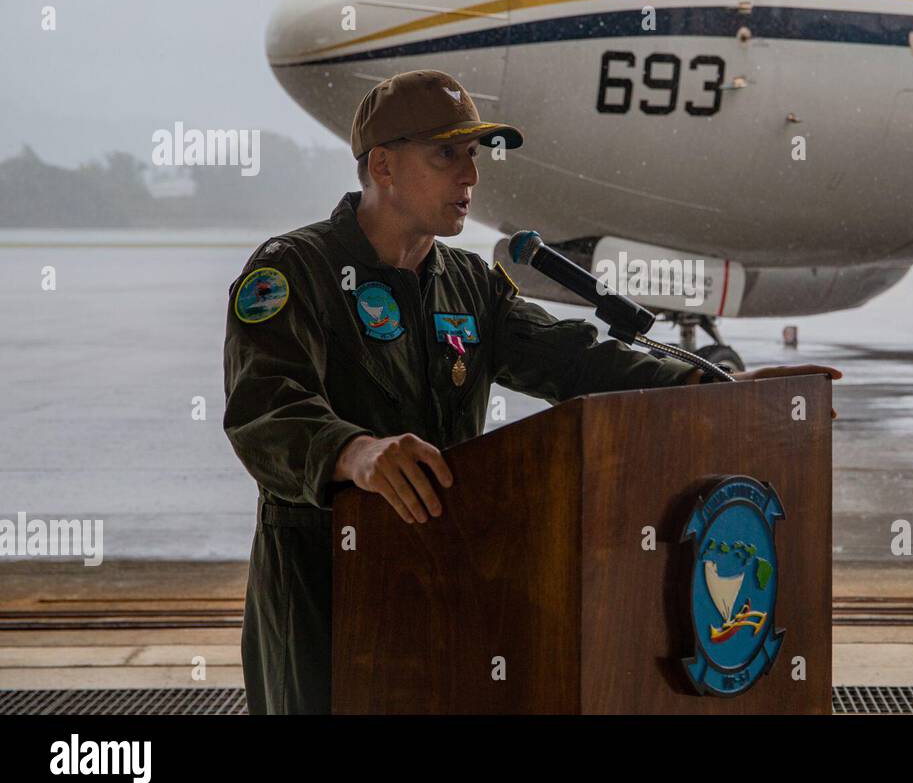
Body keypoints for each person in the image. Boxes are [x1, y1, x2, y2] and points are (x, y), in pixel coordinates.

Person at [222, 69, 840, 714]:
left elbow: (576, 362)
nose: (471, 175)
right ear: (382, 165)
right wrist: (357, 454)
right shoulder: (294, 271)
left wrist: (711, 384)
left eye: (474, 154)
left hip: (442, 568)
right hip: (324, 581)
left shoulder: (470, 283)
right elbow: (263, 410)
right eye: (447, 154)